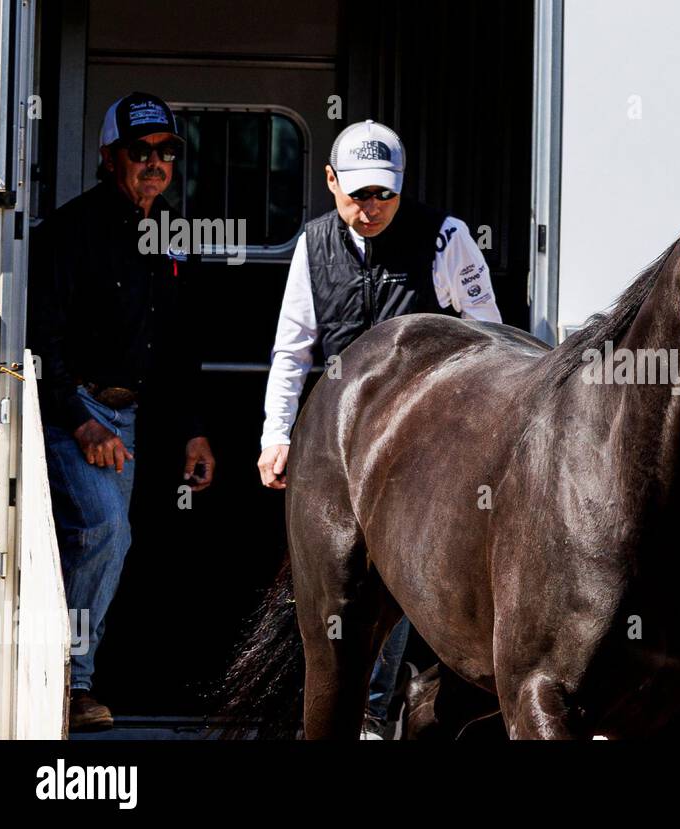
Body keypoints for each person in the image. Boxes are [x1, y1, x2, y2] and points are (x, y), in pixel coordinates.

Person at [256, 119, 502, 739]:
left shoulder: (447, 239)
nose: (370, 208)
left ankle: (389, 715)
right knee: (332, 594)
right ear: (331, 181)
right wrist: (275, 435)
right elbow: (293, 350)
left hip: (429, 452)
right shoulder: (313, 246)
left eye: (384, 195)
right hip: (337, 453)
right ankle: (352, 716)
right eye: (358, 194)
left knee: (407, 583)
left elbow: (491, 342)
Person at [28, 92, 215, 731]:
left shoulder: (173, 235)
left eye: (166, 153)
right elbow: (42, 341)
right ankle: (69, 687)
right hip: (74, 407)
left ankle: (69, 678)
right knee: (108, 530)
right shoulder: (67, 231)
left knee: (109, 541)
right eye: (141, 152)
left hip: (133, 418)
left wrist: (193, 431)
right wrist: (79, 424)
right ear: (110, 157)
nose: (155, 164)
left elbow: (181, 347)